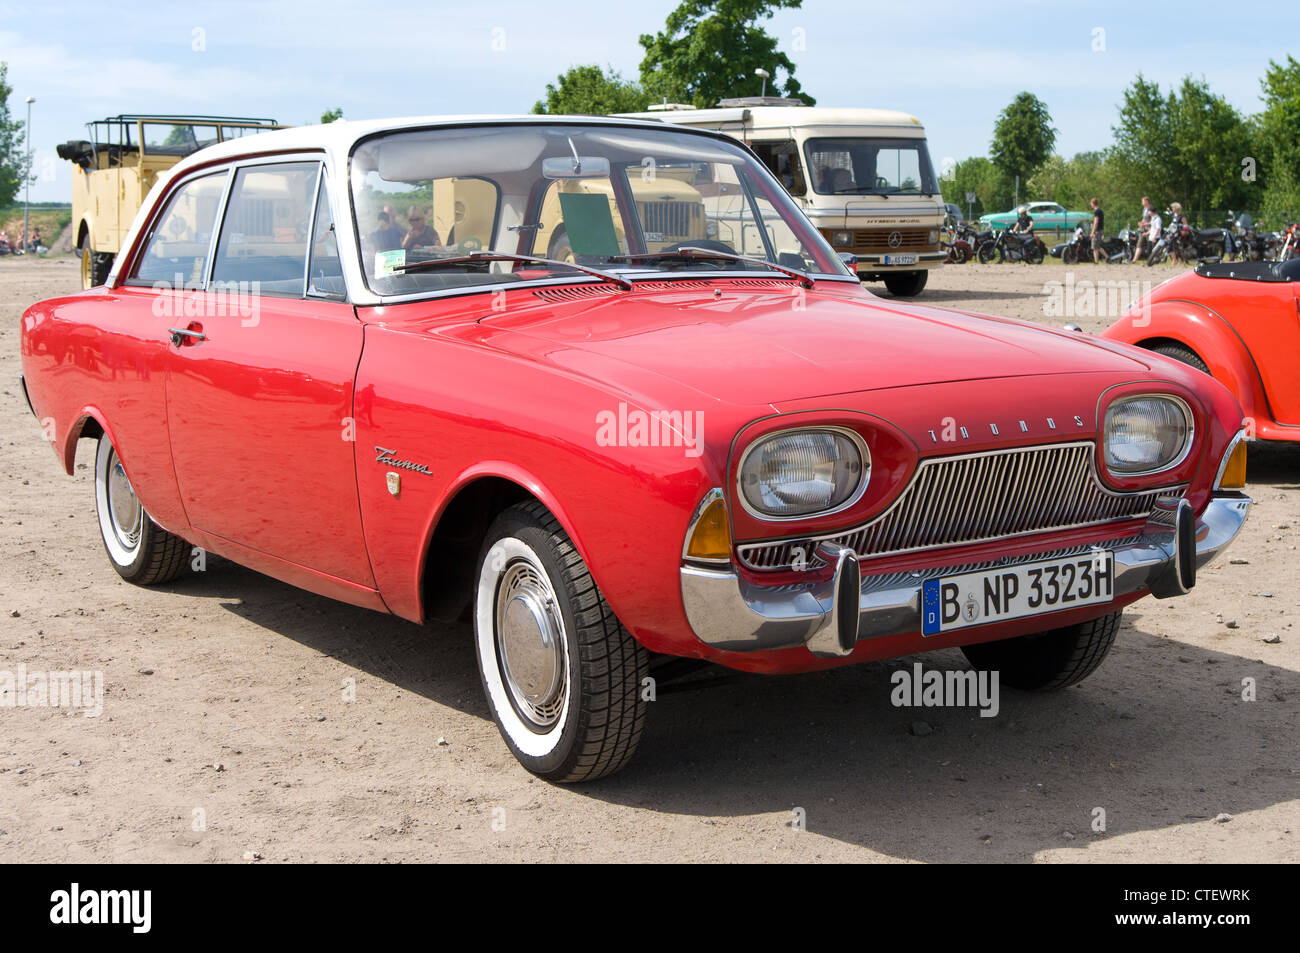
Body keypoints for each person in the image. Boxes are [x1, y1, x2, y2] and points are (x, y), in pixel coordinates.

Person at [1132, 196, 1154, 262]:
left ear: (1147, 201)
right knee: (1139, 244)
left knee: (1150, 245)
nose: (1142, 203)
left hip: (1150, 230)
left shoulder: (1151, 209)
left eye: (1143, 201)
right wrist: (1141, 223)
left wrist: (1145, 224)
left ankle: (1151, 259)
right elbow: (1144, 218)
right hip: (1143, 230)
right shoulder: (1144, 209)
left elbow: (1154, 221)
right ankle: (1134, 260)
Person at [1089, 198, 1105, 263]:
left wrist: (1092, 232)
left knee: (1095, 247)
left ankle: (1096, 261)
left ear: (1093, 203)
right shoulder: (1100, 211)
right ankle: (1107, 257)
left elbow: (1096, 222)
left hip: (1097, 231)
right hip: (1101, 230)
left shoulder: (1096, 212)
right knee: (1098, 247)